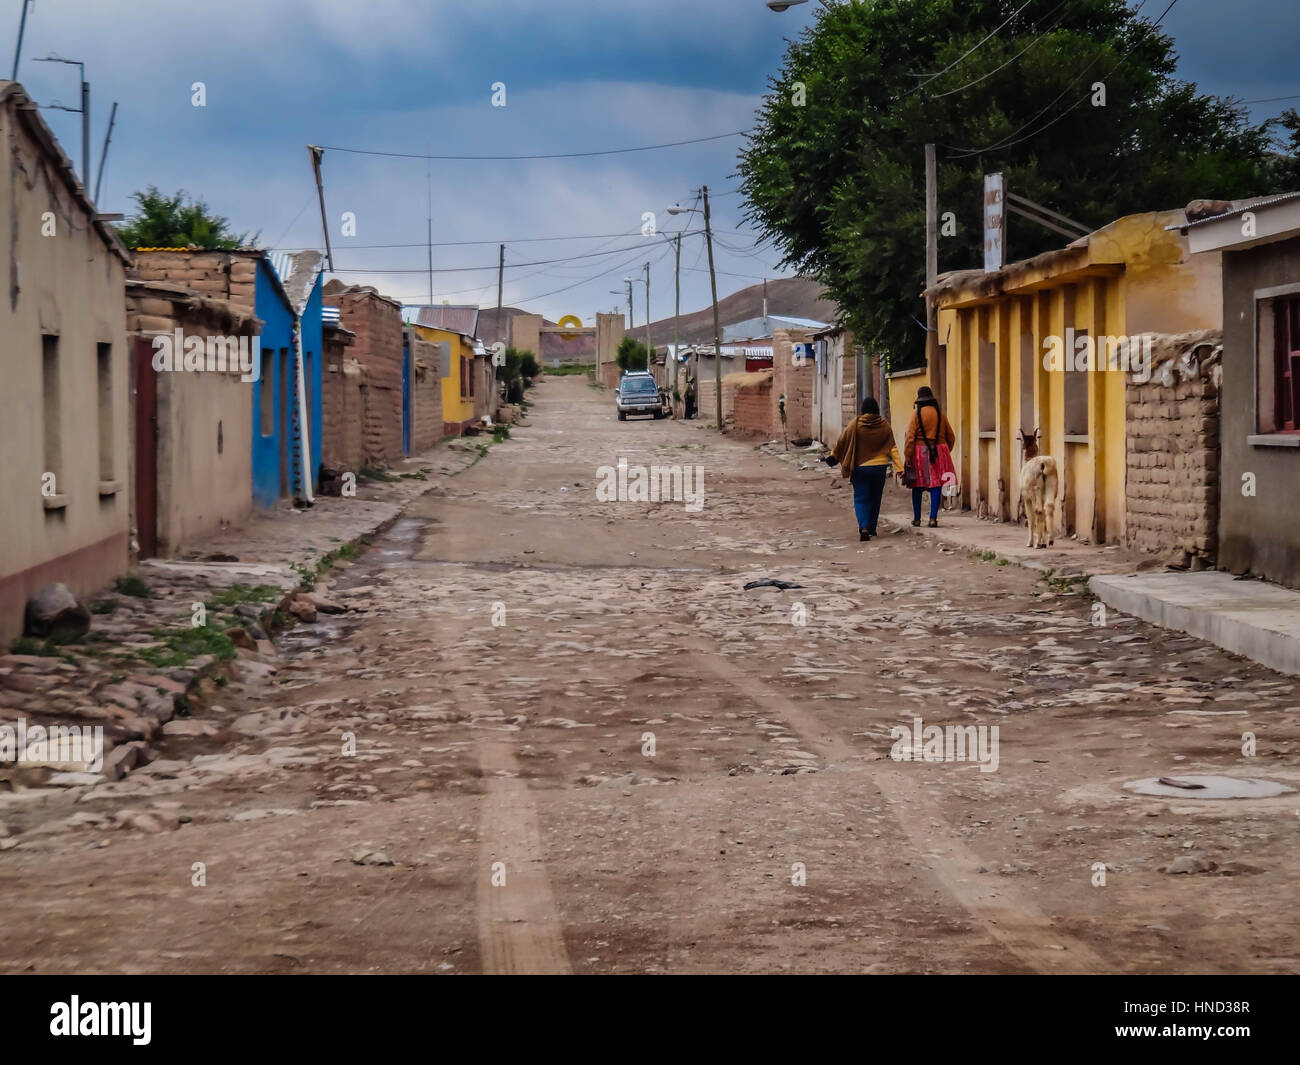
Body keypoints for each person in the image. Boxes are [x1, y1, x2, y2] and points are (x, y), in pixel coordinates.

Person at [824, 397, 903, 542]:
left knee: (861, 498)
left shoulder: (855, 424)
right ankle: (872, 528)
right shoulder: (884, 425)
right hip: (879, 468)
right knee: (875, 498)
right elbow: (893, 447)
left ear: (863, 410)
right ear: (877, 410)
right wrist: (899, 467)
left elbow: (842, 440)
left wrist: (833, 456)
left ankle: (864, 526)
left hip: (860, 468)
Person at [903, 385, 957, 528]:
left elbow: (910, 437)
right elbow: (951, 437)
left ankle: (917, 519)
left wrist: (908, 455)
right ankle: (933, 518)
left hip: (920, 453)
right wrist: (945, 451)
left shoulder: (916, 415)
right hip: (940, 451)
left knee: (917, 485)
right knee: (937, 485)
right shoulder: (940, 414)